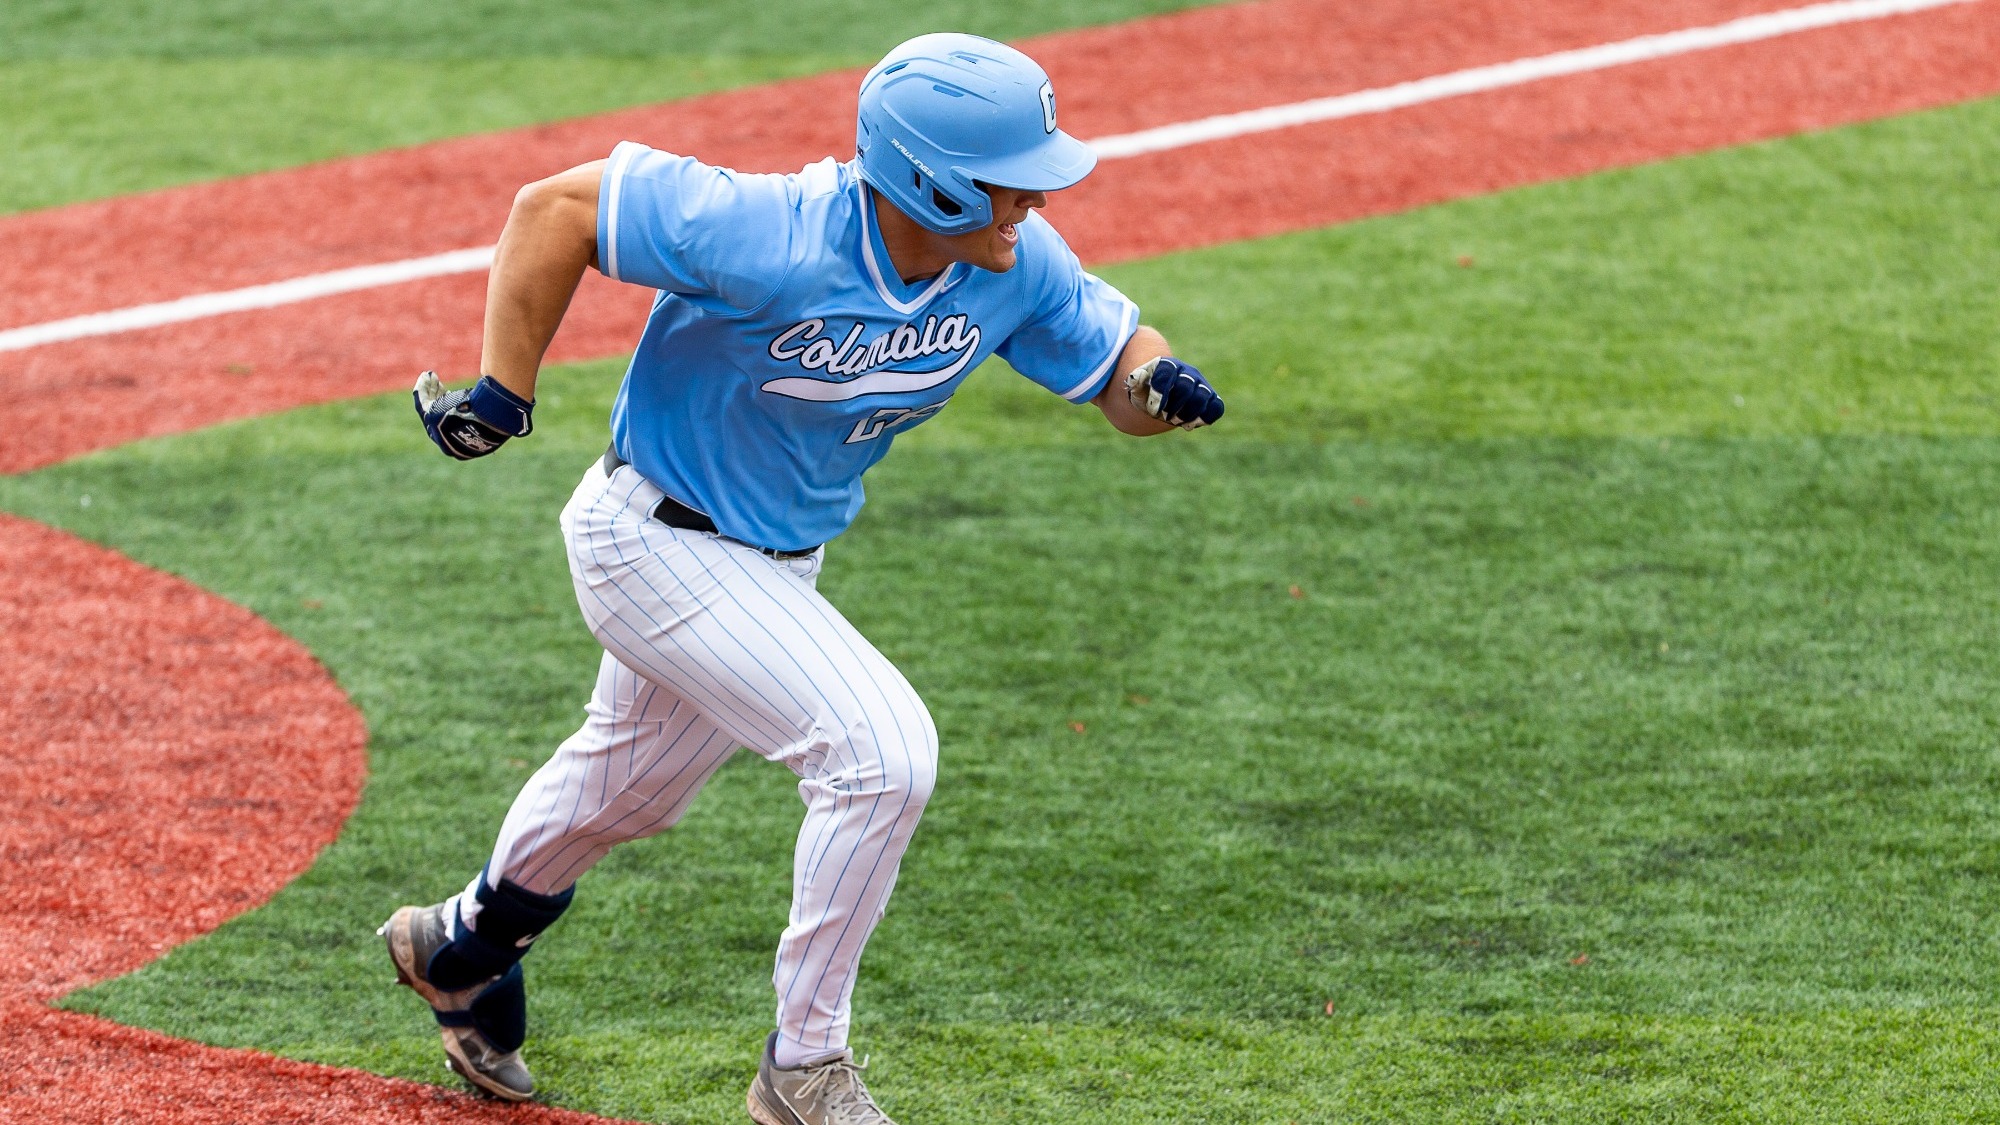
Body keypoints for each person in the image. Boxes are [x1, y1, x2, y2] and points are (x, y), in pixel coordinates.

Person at [381, 32, 1223, 1125]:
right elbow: (556, 210)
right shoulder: (767, 229)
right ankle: (803, 1070)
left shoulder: (1014, 269)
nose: (1030, 204)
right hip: (650, 540)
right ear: (931, 179)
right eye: (1010, 185)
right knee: (882, 758)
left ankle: (460, 947)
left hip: (777, 566)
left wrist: (1154, 384)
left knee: (627, 790)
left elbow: (1113, 369)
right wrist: (504, 390)